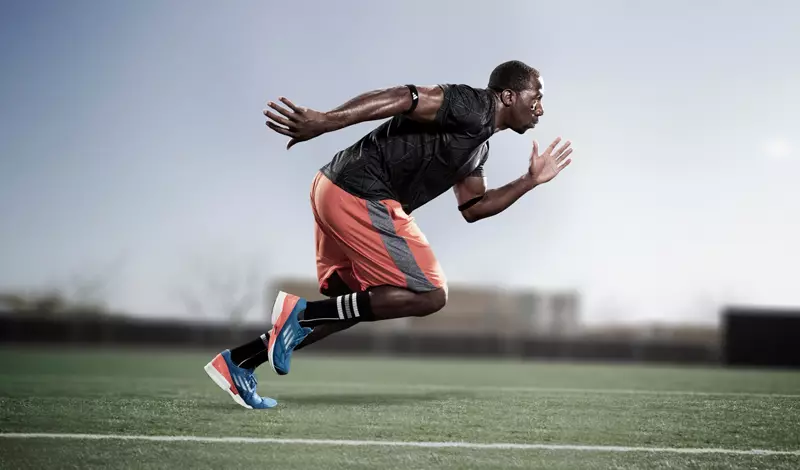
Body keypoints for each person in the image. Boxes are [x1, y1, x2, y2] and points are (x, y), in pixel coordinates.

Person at [204, 60, 574, 409]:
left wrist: (529, 181)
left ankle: (240, 362)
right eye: (536, 97)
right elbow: (404, 96)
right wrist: (327, 121)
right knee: (430, 294)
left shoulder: (478, 147)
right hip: (359, 190)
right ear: (509, 96)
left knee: (353, 305)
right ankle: (299, 316)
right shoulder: (472, 104)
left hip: (333, 187)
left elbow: (474, 207)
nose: (540, 108)